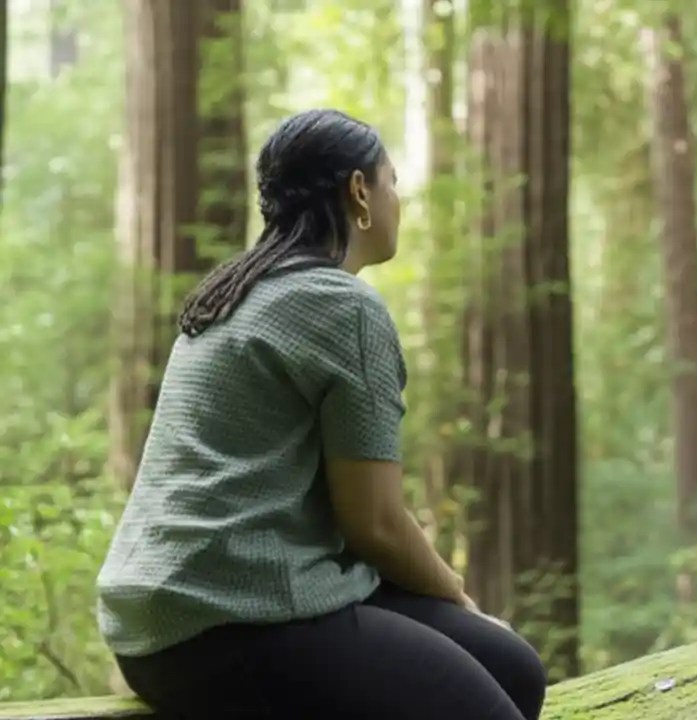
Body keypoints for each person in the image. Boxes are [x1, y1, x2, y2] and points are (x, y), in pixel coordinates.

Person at [96, 109, 546, 720]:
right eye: (393, 181)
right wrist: (461, 600)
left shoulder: (235, 289)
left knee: (513, 670)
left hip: (152, 626)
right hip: (231, 620)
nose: (399, 200)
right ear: (359, 191)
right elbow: (377, 524)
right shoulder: (345, 308)